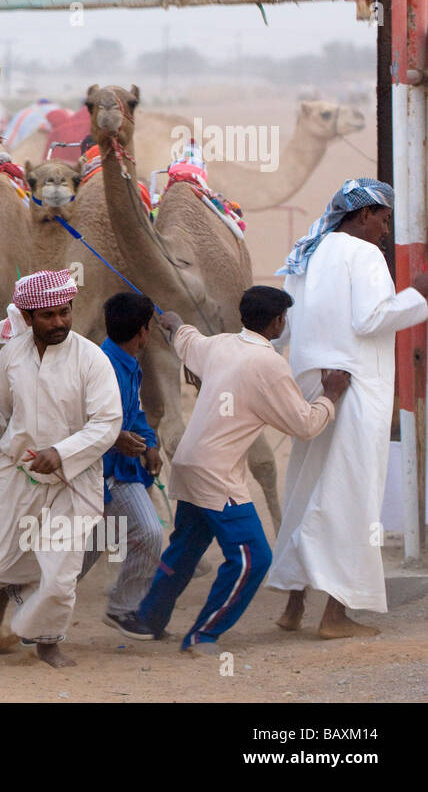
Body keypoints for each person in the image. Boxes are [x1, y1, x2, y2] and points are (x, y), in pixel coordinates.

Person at [136, 288, 349, 654]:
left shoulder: (219, 345)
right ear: (279, 321)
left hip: (188, 463)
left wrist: (174, 324)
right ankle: (204, 635)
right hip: (216, 475)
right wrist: (330, 395)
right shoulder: (269, 364)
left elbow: (187, 340)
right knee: (254, 558)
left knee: (186, 548)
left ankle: (147, 619)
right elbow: (305, 426)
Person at [267, 179, 428, 637]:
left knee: (307, 487)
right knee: (351, 495)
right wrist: (418, 295)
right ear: (363, 215)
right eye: (383, 217)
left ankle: (293, 608)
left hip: (314, 387)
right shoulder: (364, 255)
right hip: (356, 388)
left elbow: (285, 327)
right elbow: (371, 318)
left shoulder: (308, 251)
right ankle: (335, 616)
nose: (385, 228)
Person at [0, 269, 122, 668]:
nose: (59, 322)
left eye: (64, 312)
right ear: (27, 315)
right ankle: (3, 594)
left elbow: (108, 423)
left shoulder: (91, 359)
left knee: (58, 577)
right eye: (48, 315)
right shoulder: (13, 354)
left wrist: (62, 451)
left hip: (70, 481)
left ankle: (46, 642)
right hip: (15, 474)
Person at [76, 292, 166, 639]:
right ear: (143, 331)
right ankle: (35, 613)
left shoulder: (126, 362)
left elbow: (134, 413)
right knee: (89, 551)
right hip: (95, 475)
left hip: (121, 473)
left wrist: (151, 443)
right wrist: (119, 438)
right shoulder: (103, 365)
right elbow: (85, 421)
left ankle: (120, 608)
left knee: (130, 536)